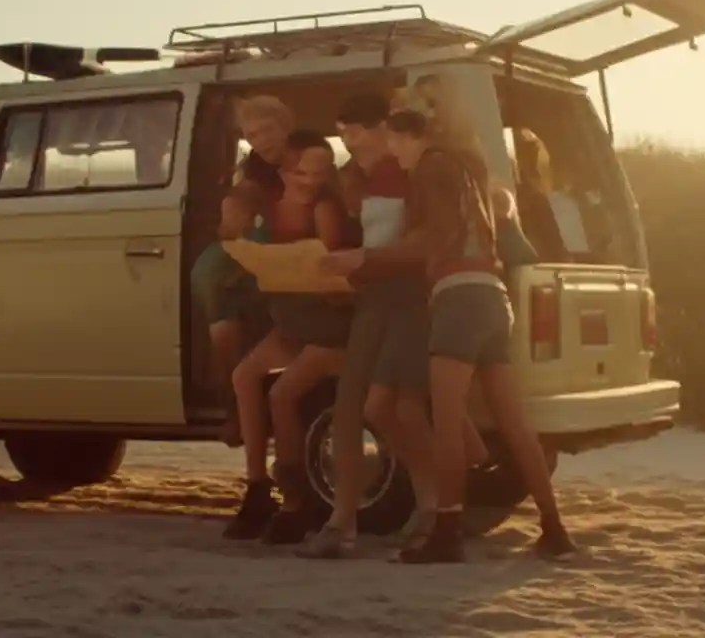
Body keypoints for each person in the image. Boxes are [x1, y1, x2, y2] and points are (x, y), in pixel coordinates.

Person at [297, 93, 489, 560]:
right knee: (358, 404)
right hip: (374, 294)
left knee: (395, 405)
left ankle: (429, 507)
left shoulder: (420, 169)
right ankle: (348, 520)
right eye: (342, 131)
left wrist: (364, 257)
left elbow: (432, 235)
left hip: (413, 296)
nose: (348, 139)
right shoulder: (356, 177)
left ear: (389, 129)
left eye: (356, 129)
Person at [382, 108, 577, 563]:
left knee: (447, 419)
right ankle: (553, 527)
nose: (394, 153)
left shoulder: (431, 168)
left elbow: (439, 230)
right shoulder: (472, 171)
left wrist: (373, 257)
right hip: (493, 297)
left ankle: (446, 531)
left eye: (395, 142)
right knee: (515, 425)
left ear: (412, 137)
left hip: (459, 296)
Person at [223, 130, 354, 544]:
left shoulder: (324, 207)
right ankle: (257, 484)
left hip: (328, 321)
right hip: (294, 318)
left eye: (319, 171)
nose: (310, 180)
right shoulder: (271, 208)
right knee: (244, 376)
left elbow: (332, 270)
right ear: (283, 170)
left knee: (282, 394)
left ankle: (296, 501)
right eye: (301, 172)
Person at [189, 95, 295, 447]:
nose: (261, 140)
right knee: (209, 278)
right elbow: (244, 203)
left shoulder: (306, 154)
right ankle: (235, 404)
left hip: (298, 240)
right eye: (252, 134)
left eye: (268, 130)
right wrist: (235, 209)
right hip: (263, 241)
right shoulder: (253, 166)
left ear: (286, 126)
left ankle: (243, 403)